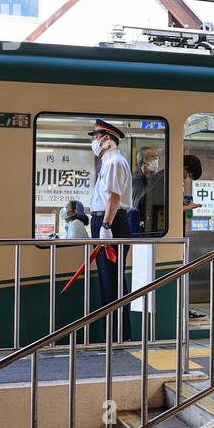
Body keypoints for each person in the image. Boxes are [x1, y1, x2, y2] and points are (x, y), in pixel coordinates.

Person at [88, 118, 133, 341]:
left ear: (106, 138)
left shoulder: (114, 161)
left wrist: (105, 226)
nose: (94, 141)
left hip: (111, 223)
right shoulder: (108, 162)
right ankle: (114, 335)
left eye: (95, 137)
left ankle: (119, 337)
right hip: (107, 221)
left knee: (112, 283)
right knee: (108, 281)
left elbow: (114, 197)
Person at [129, 146, 166, 236]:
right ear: (143, 163)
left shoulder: (157, 179)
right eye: (152, 157)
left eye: (156, 157)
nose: (156, 159)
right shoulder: (135, 180)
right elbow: (136, 205)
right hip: (137, 225)